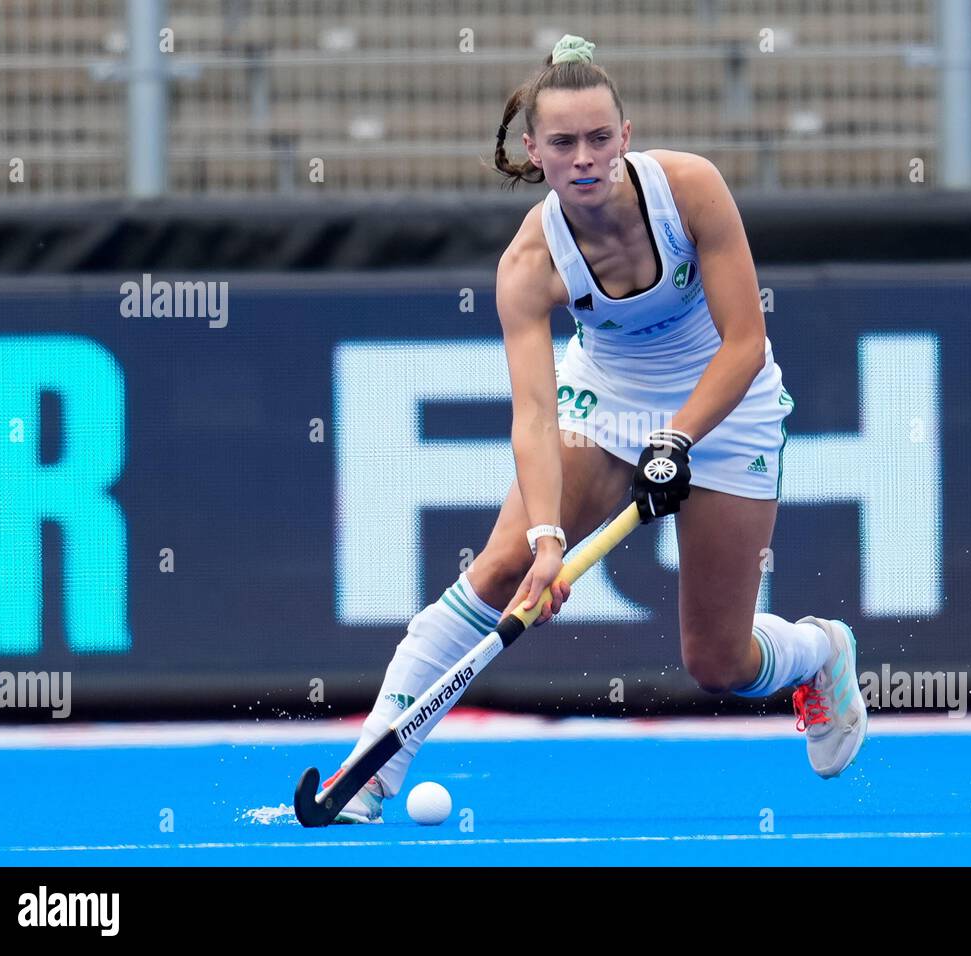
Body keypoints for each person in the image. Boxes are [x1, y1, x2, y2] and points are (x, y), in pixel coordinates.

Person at [323, 34, 865, 823]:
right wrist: (549, 542)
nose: (586, 158)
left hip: (728, 402)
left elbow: (746, 342)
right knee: (504, 562)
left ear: (626, 137)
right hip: (606, 397)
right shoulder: (529, 262)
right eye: (565, 143)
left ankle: (822, 651)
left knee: (717, 663)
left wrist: (675, 442)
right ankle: (369, 773)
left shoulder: (692, 191)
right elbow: (535, 416)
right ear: (534, 152)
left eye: (600, 139)